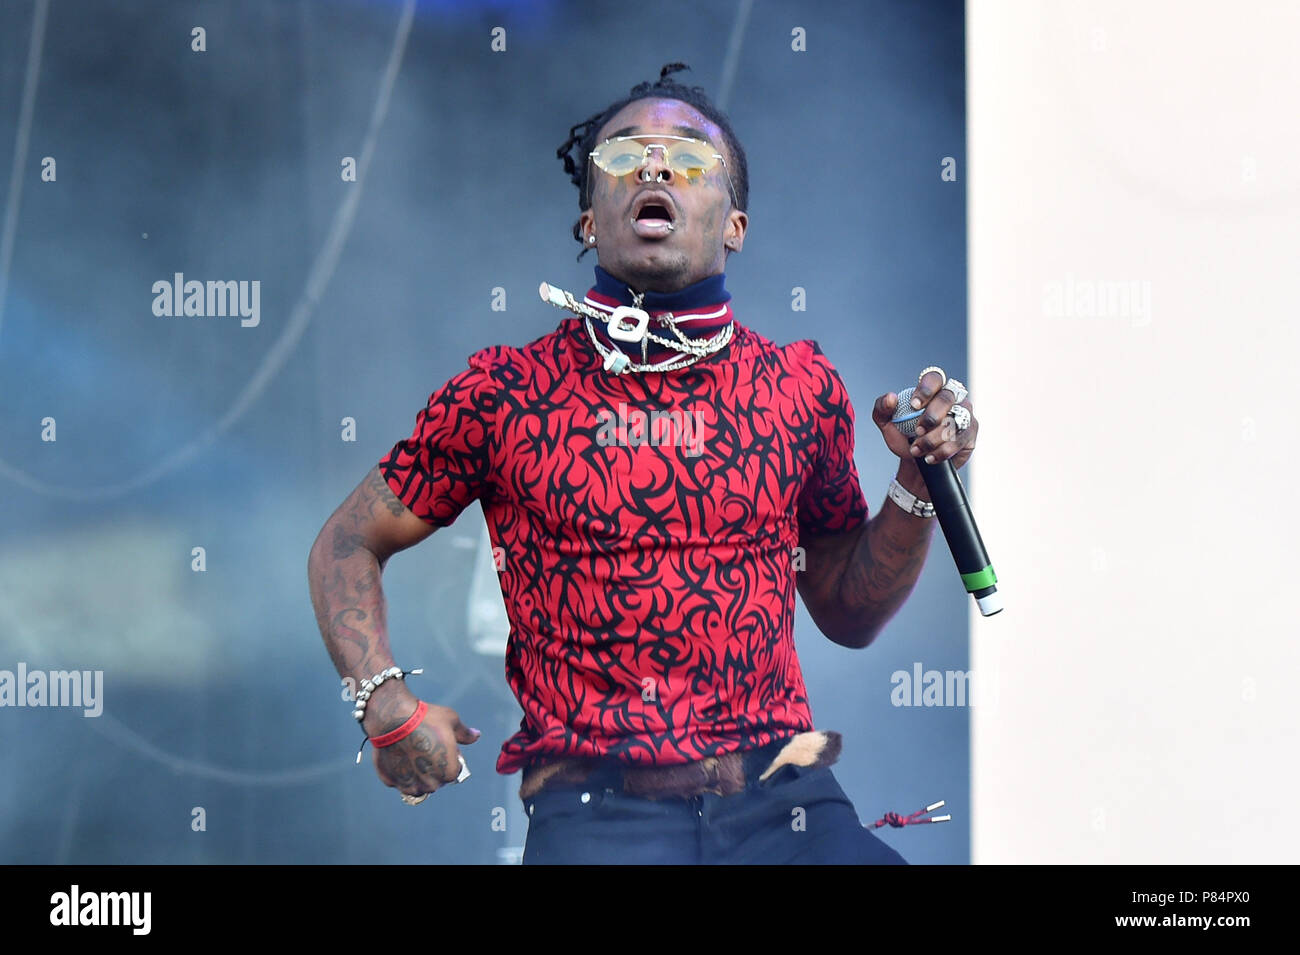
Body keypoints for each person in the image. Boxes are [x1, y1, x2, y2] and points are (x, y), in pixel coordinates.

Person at [307, 63, 978, 864]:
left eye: (690, 158)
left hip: (784, 802)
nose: (655, 166)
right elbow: (346, 543)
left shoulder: (799, 387)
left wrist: (914, 484)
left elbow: (847, 612)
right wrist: (386, 707)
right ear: (590, 220)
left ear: (735, 223)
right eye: (625, 157)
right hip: (599, 816)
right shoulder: (505, 393)